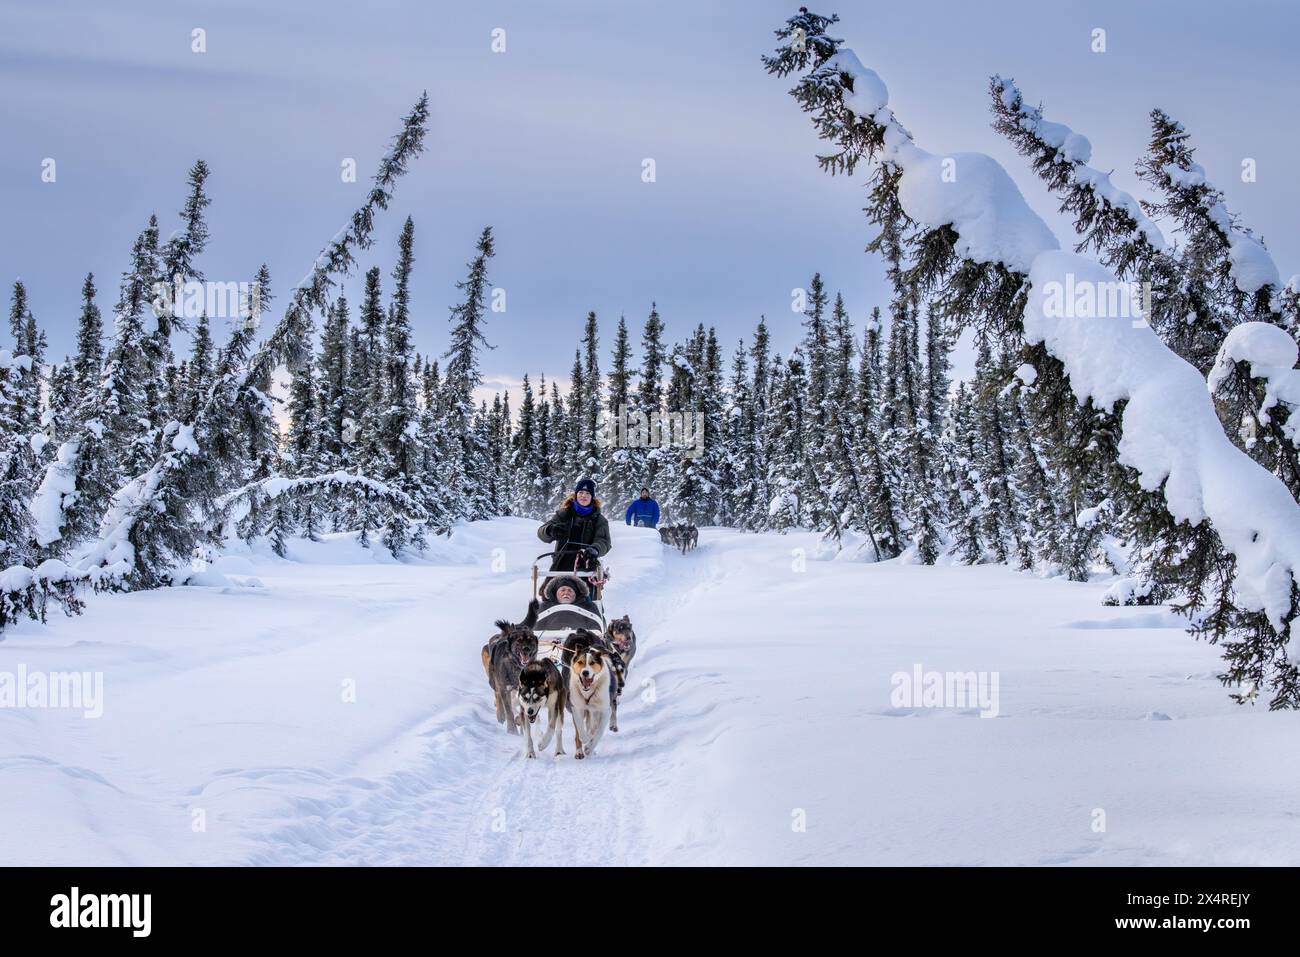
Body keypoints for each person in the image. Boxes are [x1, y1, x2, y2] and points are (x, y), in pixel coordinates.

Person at [538, 478, 612, 572]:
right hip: (560, 565)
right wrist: (550, 530)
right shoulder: (564, 514)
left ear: (592, 497)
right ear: (576, 494)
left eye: (588, 493)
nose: (583, 496)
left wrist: (595, 549)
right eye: (581, 492)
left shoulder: (599, 520)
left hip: (586, 567)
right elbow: (541, 533)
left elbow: (604, 541)